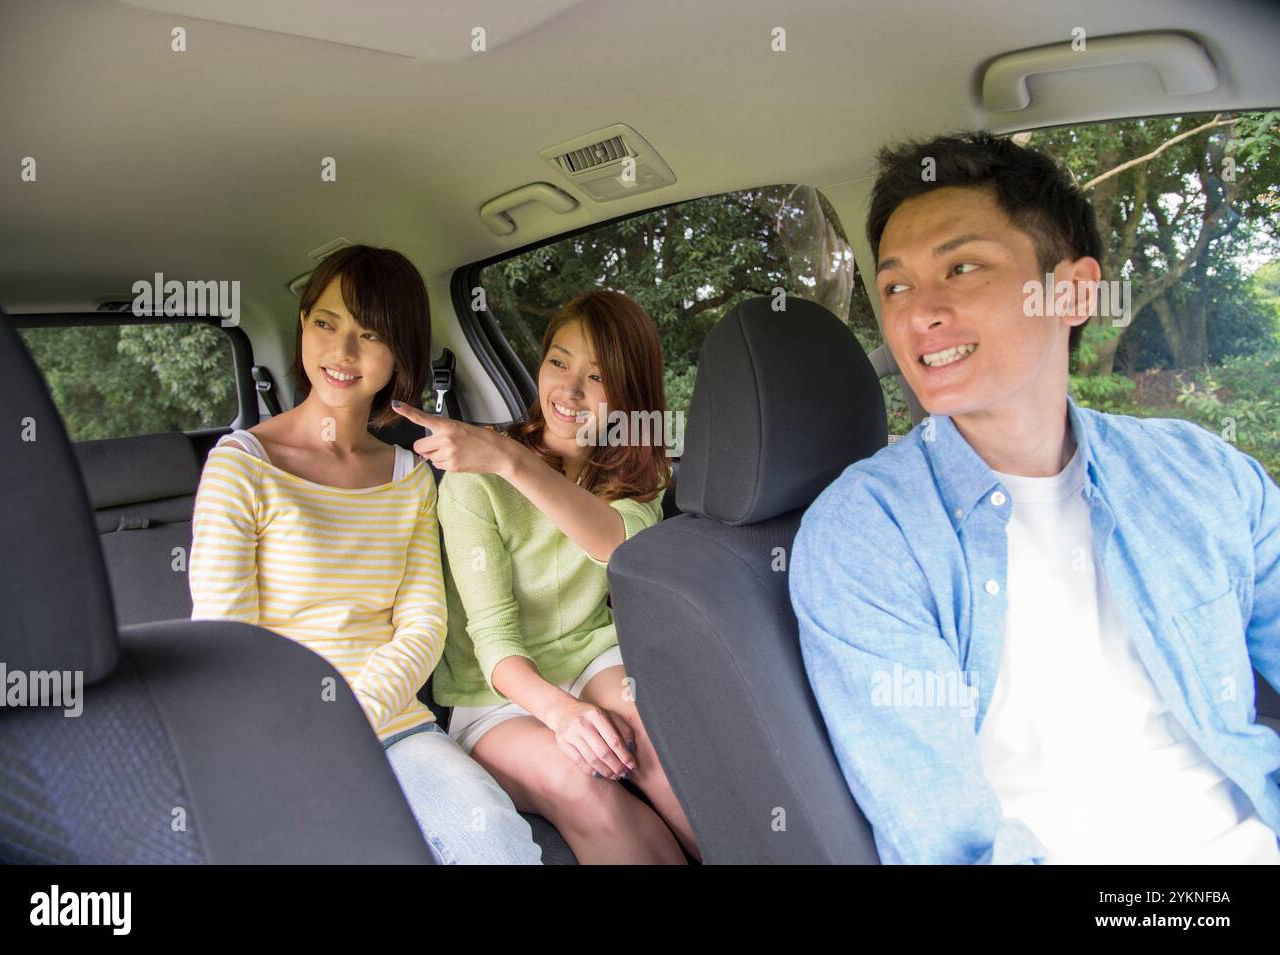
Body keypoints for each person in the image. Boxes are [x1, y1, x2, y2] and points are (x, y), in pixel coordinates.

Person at [790, 131, 1280, 864]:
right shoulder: (866, 534)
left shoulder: (1200, 472)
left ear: (1075, 290)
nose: (917, 313)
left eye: (962, 267)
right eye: (894, 285)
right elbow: (944, 841)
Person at [189, 244, 541, 865]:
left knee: (492, 836)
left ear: (399, 352)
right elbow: (226, 640)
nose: (342, 353)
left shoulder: (409, 474)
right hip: (271, 736)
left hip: (392, 726)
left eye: (370, 334)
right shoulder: (241, 465)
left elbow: (423, 622)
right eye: (327, 323)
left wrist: (353, 715)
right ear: (303, 325)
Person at [390, 290, 701, 863]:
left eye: (598, 376)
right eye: (559, 361)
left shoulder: (637, 472)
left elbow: (616, 546)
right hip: (496, 693)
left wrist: (514, 461)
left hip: (590, 654)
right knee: (581, 786)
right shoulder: (474, 480)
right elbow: (494, 643)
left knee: (660, 739)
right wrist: (562, 714)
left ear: (630, 392)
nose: (570, 391)